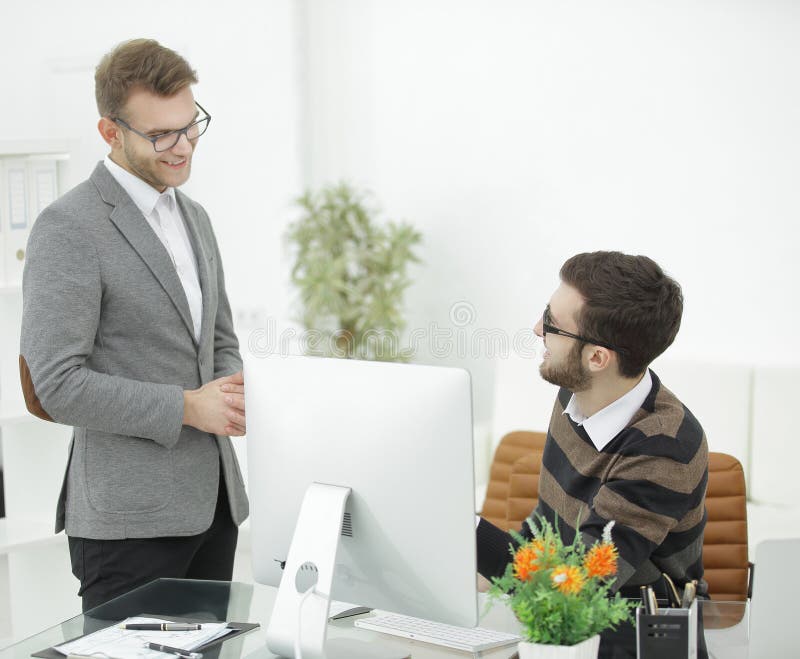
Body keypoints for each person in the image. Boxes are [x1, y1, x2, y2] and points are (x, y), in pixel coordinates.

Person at [19, 39, 248, 611]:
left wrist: (230, 393)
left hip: (214, 508)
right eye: (161, 134)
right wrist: (189, 407)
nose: (183, 146)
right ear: (110, 132)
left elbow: (218, 339)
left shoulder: (195, 216)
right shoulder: (69, 227)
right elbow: (57, 384)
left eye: (190, 126)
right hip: (128, 525)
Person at [477, 251, 708, 657]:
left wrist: (471, 533)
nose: (536, 329)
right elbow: (547, 533)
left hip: (635, 642)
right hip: (556, 631)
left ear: (597, 358)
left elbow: (577, 586)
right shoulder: (576, 392)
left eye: (551, 324)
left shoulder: (665, 451)